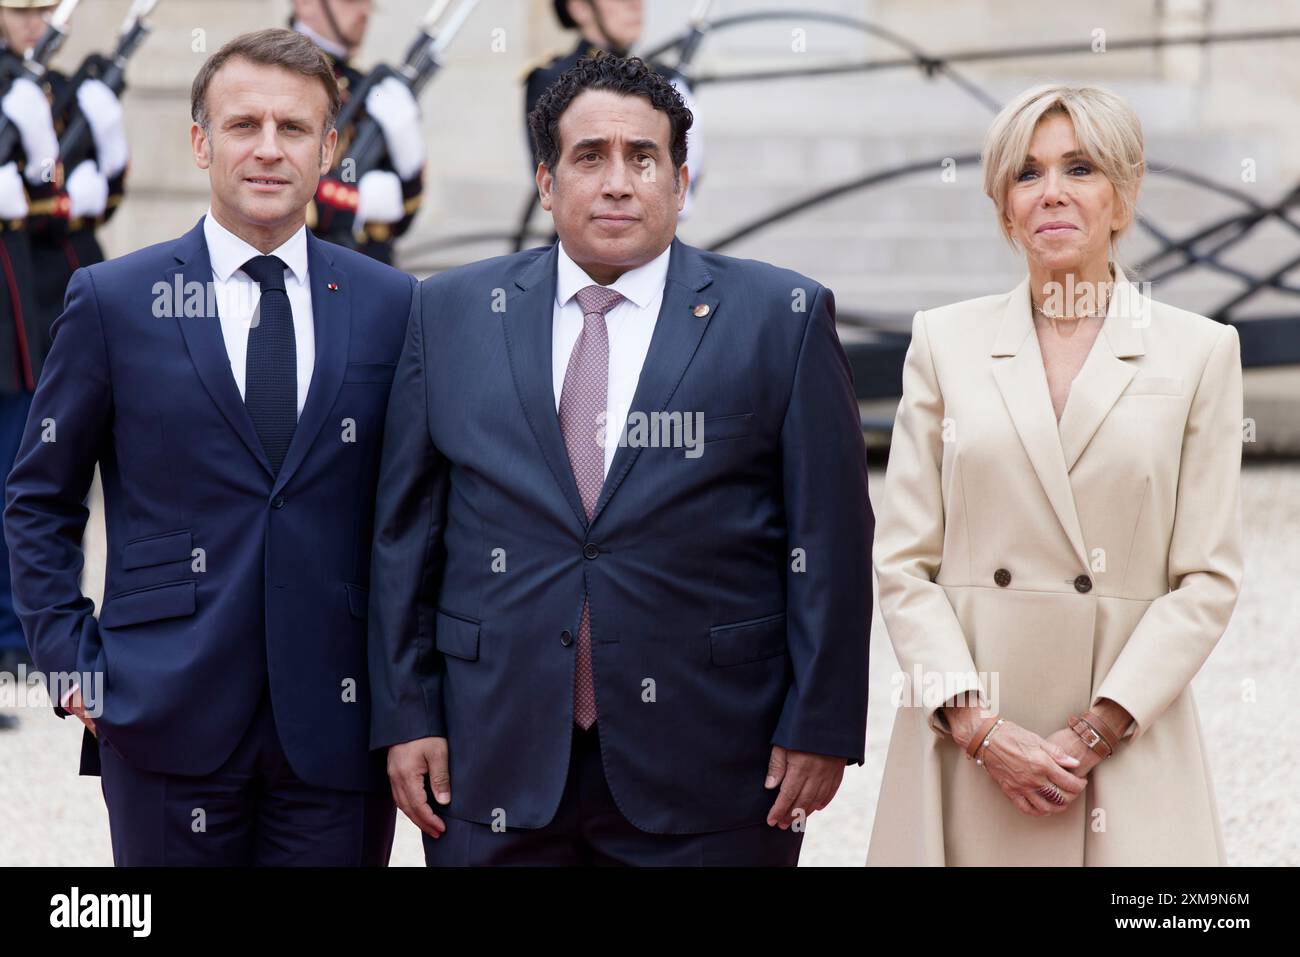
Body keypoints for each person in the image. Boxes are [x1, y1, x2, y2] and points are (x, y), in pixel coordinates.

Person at [369, 54, 872, 866]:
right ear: (545, 180)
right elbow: (406, 538)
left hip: (713, 763)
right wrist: (406, 712)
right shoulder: (451, 311)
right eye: (589, 156)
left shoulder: (780, 317)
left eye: (643, 158)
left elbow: (832, 542)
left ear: (680, 179)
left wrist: (821, 723)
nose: (616, 181)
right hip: (491, 758)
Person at [4, 28, 413, 866]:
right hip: (160, 717)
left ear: (330, 148)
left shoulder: (393, 305)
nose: (269, 149)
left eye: (295, 128)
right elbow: (40, 496)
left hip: (340, 725)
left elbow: (422, 505)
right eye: (243, 125)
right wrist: (67, 659)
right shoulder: (112, 300)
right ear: (200, 141)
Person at [867, 84, 1243, 866]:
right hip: (967, 745)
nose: (1053, 194)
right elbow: (903, 563)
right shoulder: (943, 342)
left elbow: (1206, 578)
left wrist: (1097, 728)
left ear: (1125, 194)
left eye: (1080, 167)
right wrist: (978, 727)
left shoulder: (1200, 352)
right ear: (1005, 208)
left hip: (1126, 741)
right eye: (1027, 174)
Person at [2, 0, 129, 334]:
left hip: (80, 268)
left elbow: (104, 204)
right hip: (28, 277)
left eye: (44, 12)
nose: (33, 24)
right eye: (20, 12)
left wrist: (112, 160)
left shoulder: (60, 87)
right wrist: (65, 204)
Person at [0, 0, 61, 696]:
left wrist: (40, 157)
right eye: (23, 9)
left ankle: (13, 633)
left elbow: (56, 197)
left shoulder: (27, 86)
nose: (36, 23)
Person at [524, 0, 703, 217]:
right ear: (580, 8)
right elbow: (555, 177)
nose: (636, 6)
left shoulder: (664, 76)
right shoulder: (551, 78)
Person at [291, 0, 424, 264]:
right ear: (305, 4)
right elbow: (285, 191)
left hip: (374, 273)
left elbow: (402, 220)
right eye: (351, 1)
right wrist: (356, 201)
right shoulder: (280, 76)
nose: (365, 11)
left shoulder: (364, 85)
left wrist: (410, 159)